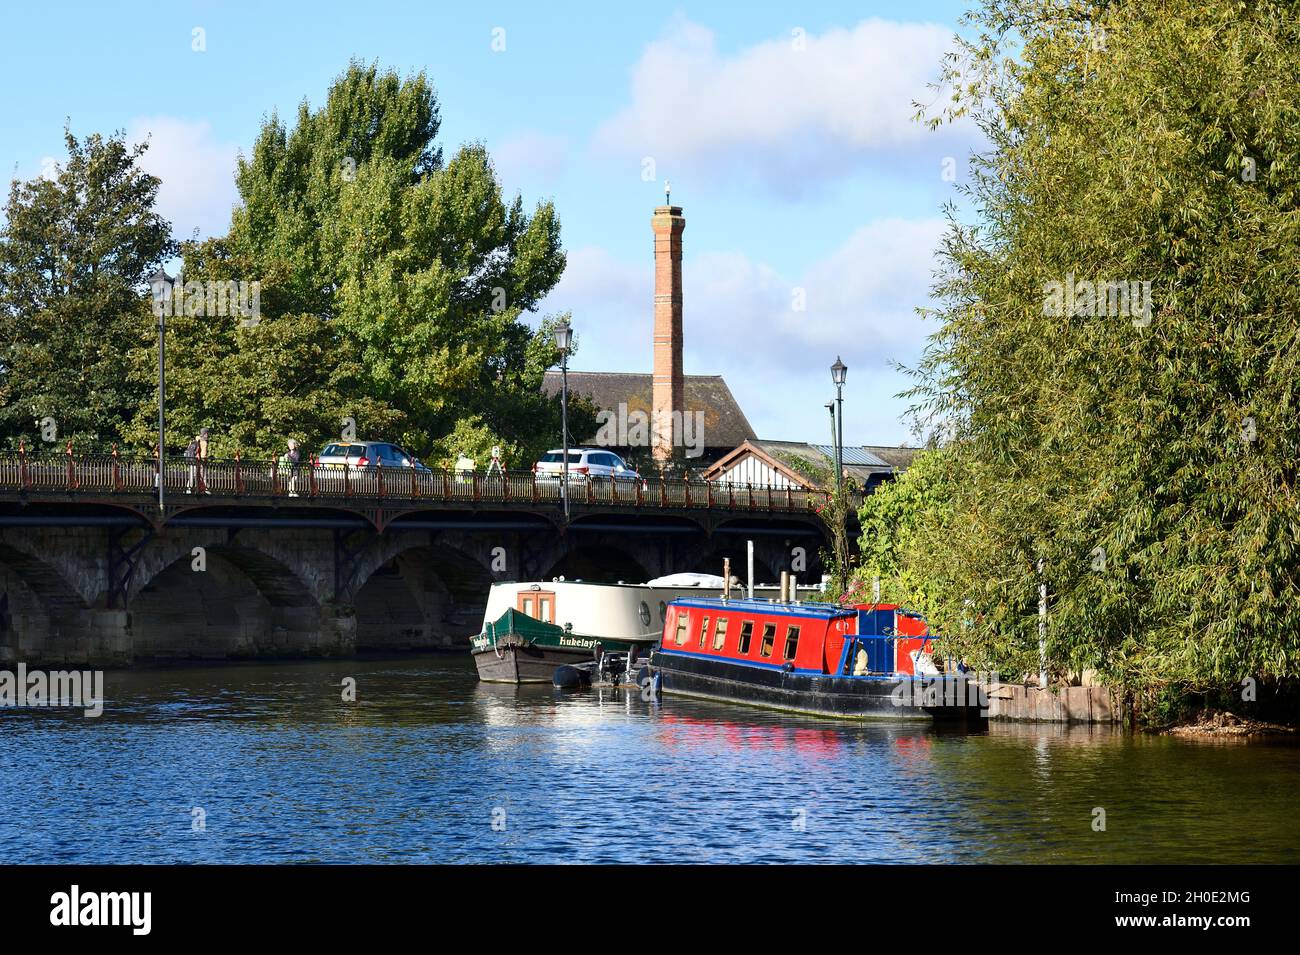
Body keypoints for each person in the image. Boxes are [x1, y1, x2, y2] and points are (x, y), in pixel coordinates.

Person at [186, 427, 210, 494]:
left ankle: (188, 489)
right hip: (200, 462)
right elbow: (203, 454)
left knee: (191, 475)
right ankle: (205, 489)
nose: (208, 435)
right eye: (207, 433)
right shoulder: (204, 442)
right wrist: (204, 460)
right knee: (203, 475)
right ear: (205, 434)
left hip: (192, 461)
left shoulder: (194, 441)